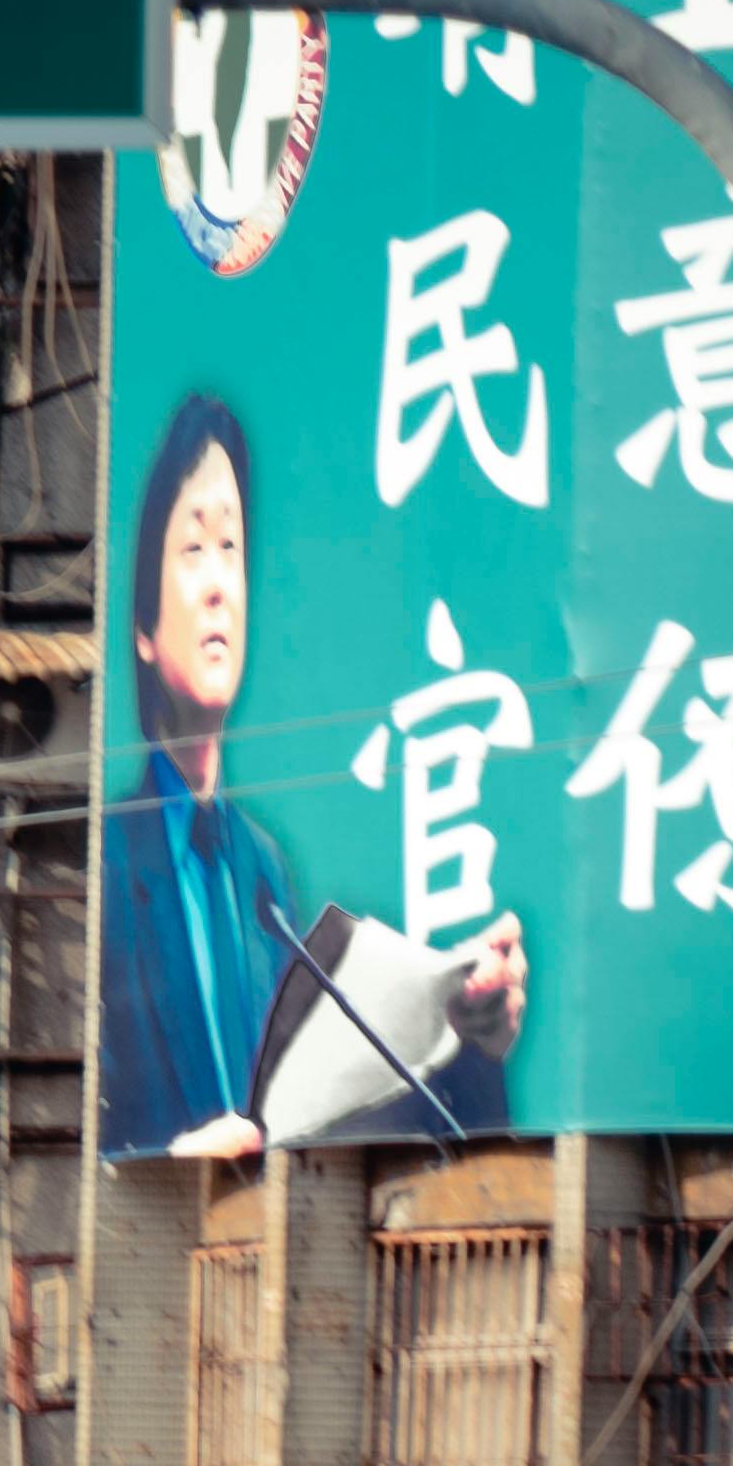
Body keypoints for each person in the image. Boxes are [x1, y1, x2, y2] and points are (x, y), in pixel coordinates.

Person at [96, 391, 513, 1157]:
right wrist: (178, 1161)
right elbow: (87, 1110)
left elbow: (299, 1093)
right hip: (153, 1244)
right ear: (144, 630)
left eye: (233, 549)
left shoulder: (265, 871)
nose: (221, 582)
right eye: (194, 550)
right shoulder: (104, 863)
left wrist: (464, 1028)